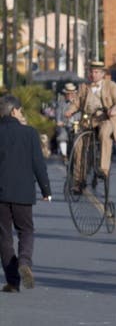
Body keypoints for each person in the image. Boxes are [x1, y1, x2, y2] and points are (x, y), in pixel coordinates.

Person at [0, 95, 52, 293]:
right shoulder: (30, 133)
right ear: (14, 111)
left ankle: (13, 282)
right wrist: (46, 190)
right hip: (23, 193)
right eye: (20, 111)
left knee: (4, 237)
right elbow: (38, 164)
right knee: (26, 231)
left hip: (1, 194)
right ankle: (24, 261)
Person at [64, 60, 116, 177]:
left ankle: (103, 168)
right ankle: (78, 179)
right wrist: (70, 110)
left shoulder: (111, 86)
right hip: (88, 119)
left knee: (105, 133)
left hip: (105, 118)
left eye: (96, 72)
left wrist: (114, 109)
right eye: (92, 72)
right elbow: (77, 103)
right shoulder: (84, 87)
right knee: (78, 141)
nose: (93, 74)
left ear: (102, 74)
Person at [54, 83, 80, 164]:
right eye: (68, 93)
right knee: (62, 134)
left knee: (78, 136)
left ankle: (78, 156)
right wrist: (59, 121)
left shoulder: (78, 103)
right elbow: (58, 114)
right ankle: (64, 155)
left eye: (72, 93)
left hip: (76, 125)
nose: (70, 95)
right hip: (65, 125)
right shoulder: (61, 103)